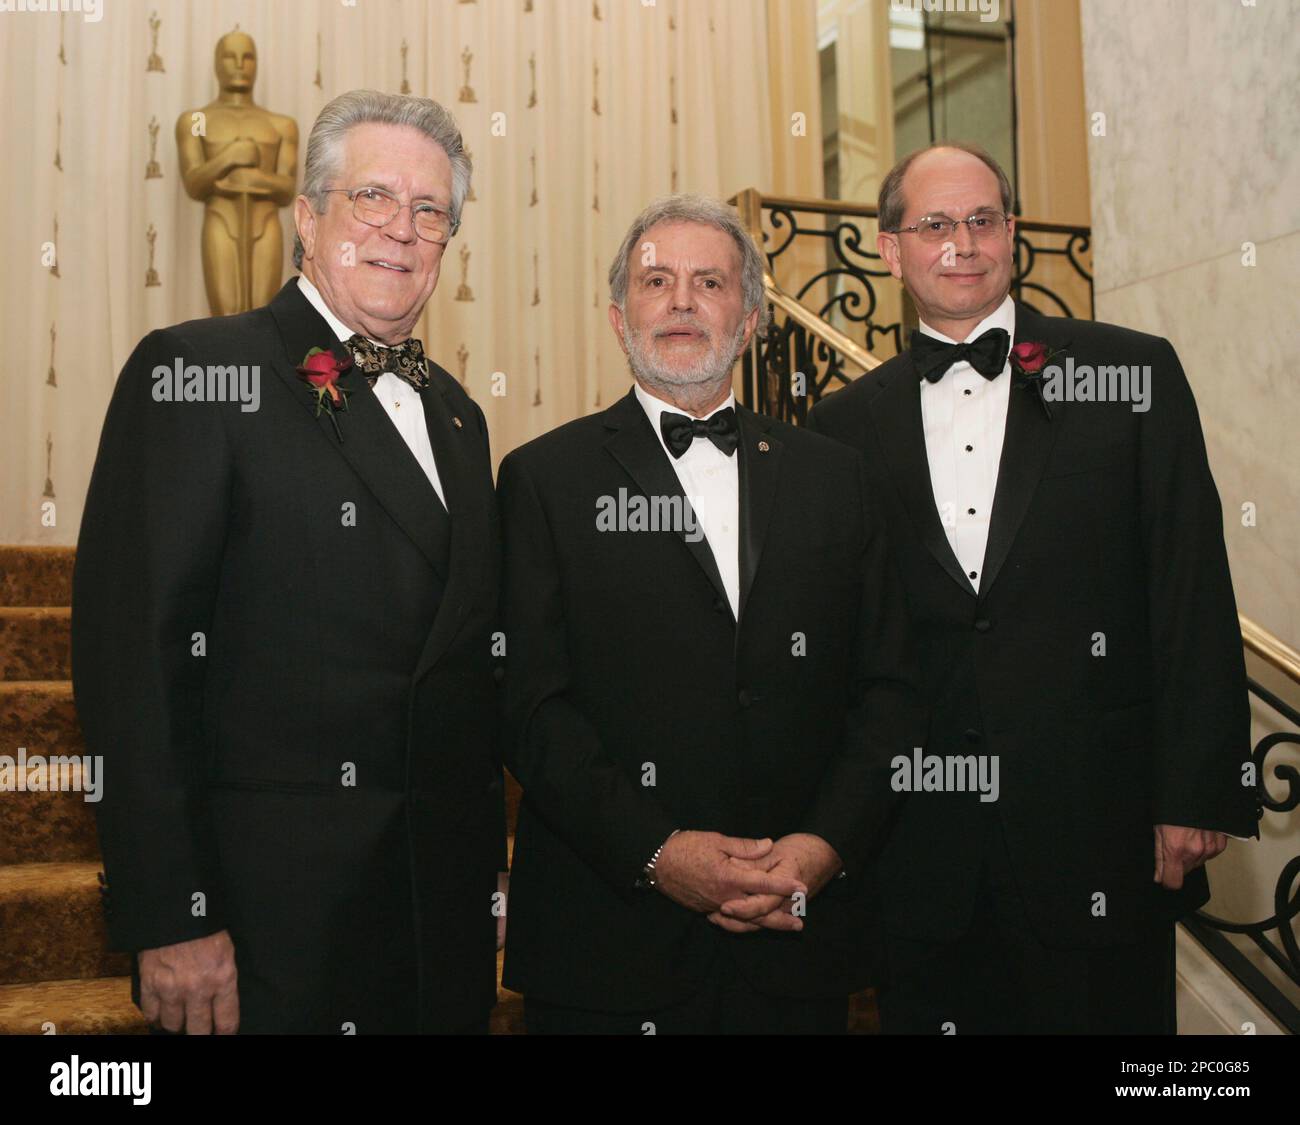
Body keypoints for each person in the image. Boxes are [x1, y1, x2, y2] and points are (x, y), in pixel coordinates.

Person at [72, 90, 505, 1035]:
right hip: (273, 937)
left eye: (431, 211)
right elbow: (131, 666)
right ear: (307, 219)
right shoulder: (198, 372)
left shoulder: (462, 419)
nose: (402, 229)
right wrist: (172, 912)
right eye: (371, 199)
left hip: (440, 938)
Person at [806, 142, 1259, 1034]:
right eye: (934, 224)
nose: (962, 243)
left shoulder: (1131, 372)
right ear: (890, 250)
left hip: (1103, 829)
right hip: (924, 849)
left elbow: (1190, 586)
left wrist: (1196, 790)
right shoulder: (839, 428)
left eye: (983, 220)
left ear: (1013, 235)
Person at [497, 194, 914, 1034]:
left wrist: (823, 847)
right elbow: (530, 707)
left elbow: (893, 690)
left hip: (796, 945)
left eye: (709, 281)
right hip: (607, 949)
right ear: (620, 319)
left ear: (751, 317)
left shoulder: (839, 478)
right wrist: (658, 854)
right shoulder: (542, 479)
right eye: (657, 280)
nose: (682, 301)